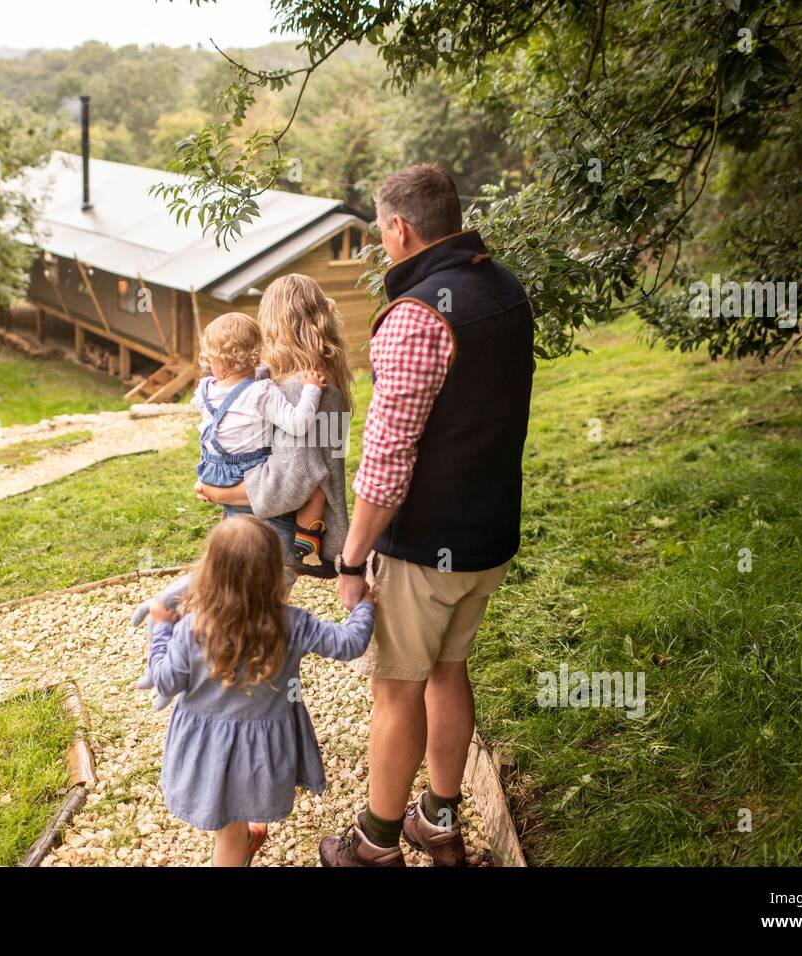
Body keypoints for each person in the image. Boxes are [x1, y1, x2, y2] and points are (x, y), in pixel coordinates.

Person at [320, 163, 535, 867]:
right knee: (449, 668)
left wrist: (351, 558)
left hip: (427, 547)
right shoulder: (505, 288)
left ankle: (376, 841)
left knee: (396, 691)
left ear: (398, 229)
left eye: (382, 233)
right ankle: (438, 818)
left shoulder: (417, 315)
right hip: (490, 539)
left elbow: (385, 463)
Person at [146, 515, 376, 866]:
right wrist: (364, 606)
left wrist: (161, 628)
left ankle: (237, 843)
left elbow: (165, 681)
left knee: (226, 827)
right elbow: (349, 644)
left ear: (209, 570)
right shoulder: (291, 623)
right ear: (273, 571)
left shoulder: (194, 627)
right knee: (235, 817)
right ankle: (242, 838)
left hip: (208, 750)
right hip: (263, 750)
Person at [197, 274, 356, 577]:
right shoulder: (325, 381)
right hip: (288, 528)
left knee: (244, 610)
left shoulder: (301, 389)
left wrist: (217, 492)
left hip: (269, 529)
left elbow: (293, 481)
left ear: (274, 321)